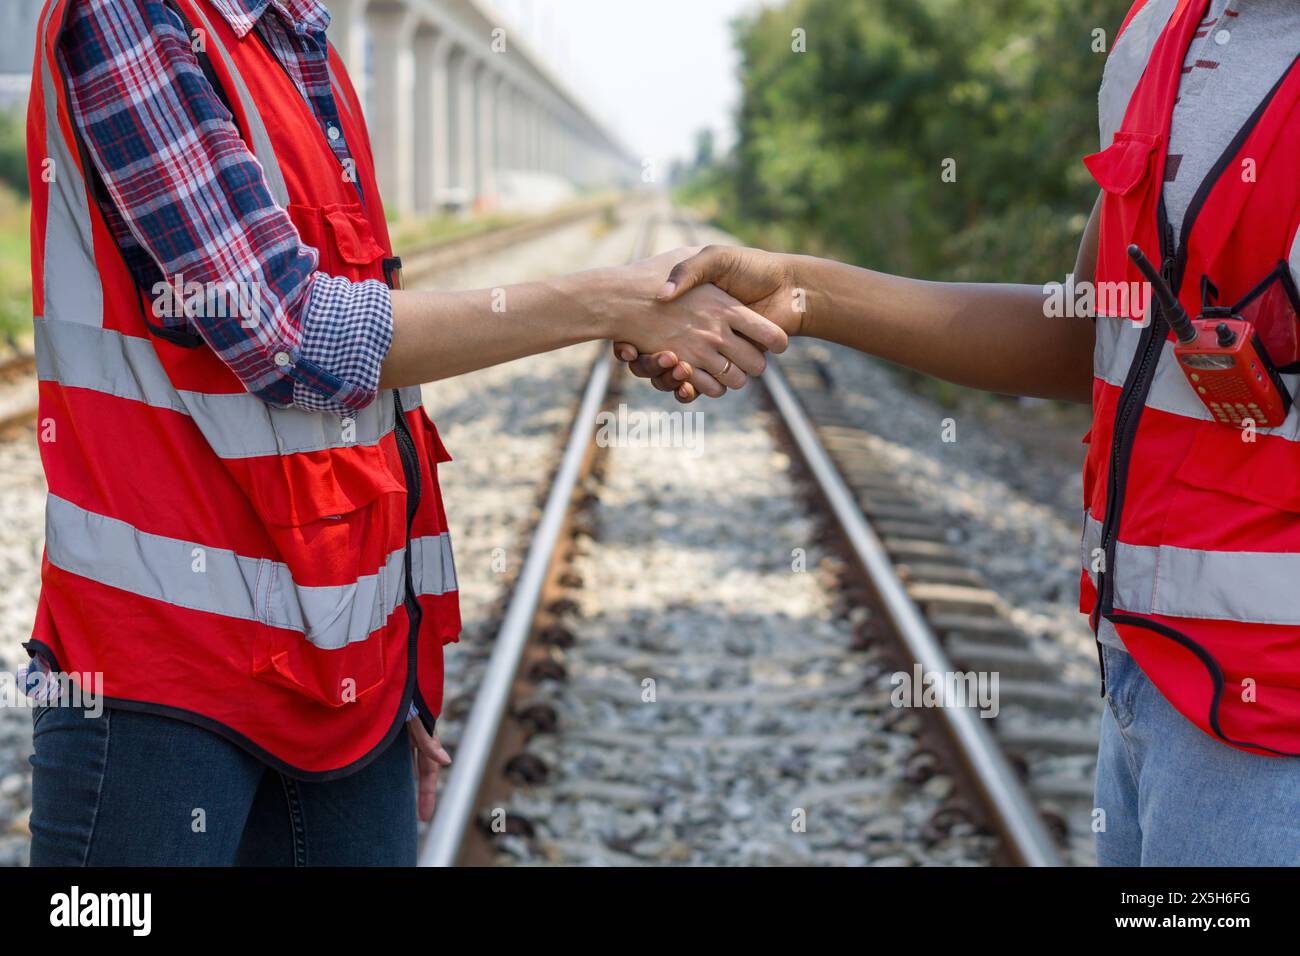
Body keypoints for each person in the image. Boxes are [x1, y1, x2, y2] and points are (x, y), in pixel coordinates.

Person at [24, 0, 785, 866]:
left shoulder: (299, 40)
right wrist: (609, 301)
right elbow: (286, 329)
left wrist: (404, 660)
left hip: (345, 678)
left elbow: (378, 401)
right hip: (162, 677)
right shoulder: (132, 15)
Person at [619, 0, 1300, 866]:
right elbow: (1090, 330)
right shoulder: (1165, 27)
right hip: (1151, 684)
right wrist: (804, 291)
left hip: (1275, 736)